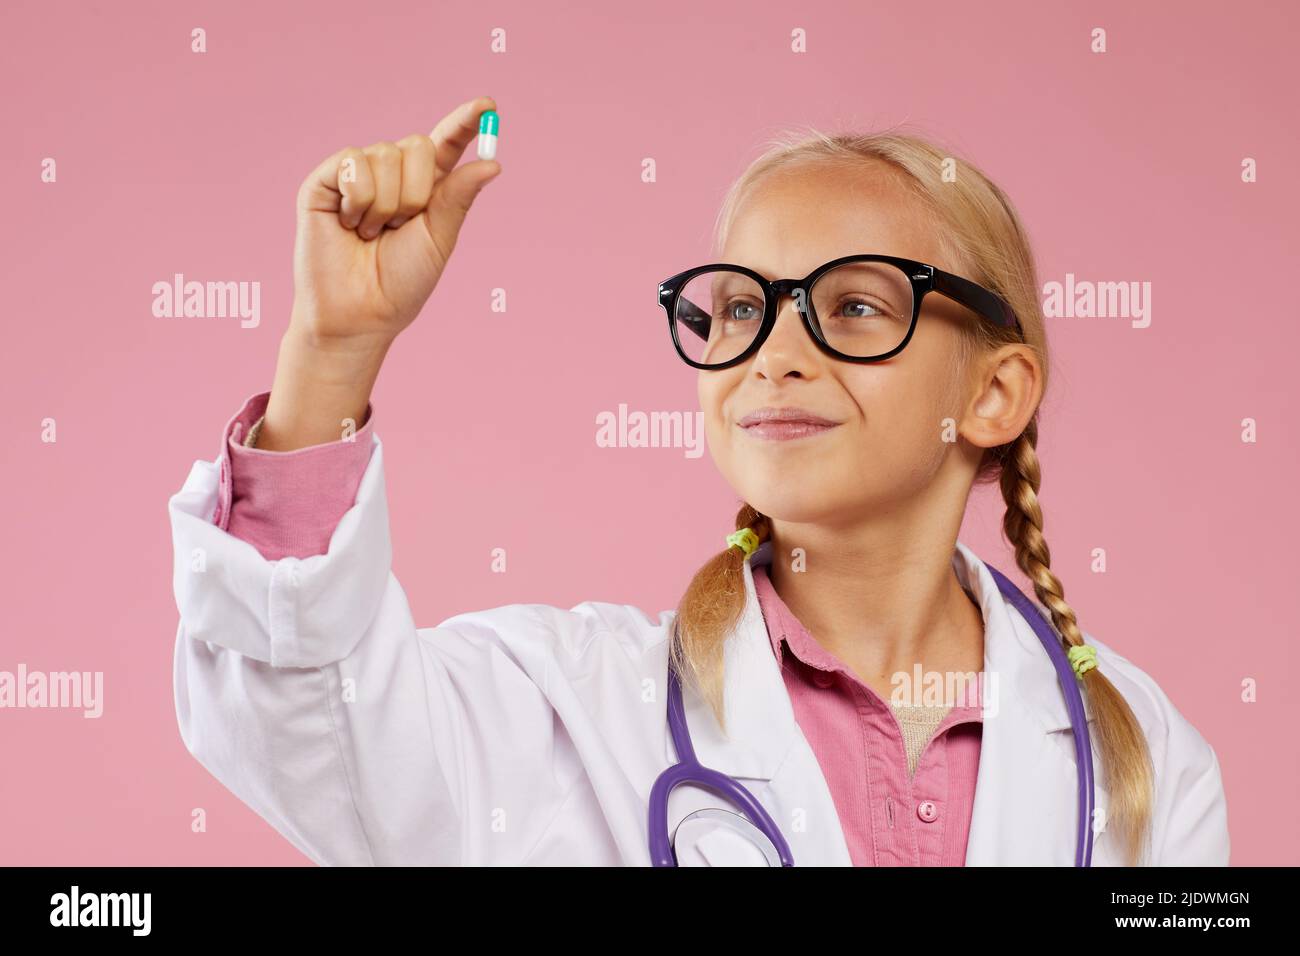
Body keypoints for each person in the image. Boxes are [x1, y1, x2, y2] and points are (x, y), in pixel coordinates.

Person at [168, 95, 1230, 866]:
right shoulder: (563, 706)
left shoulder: (1141, 765)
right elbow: (307, 725)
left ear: (995, 393)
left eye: (853, 306)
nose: (773, 350)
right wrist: (331, 355)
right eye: (737, 308)